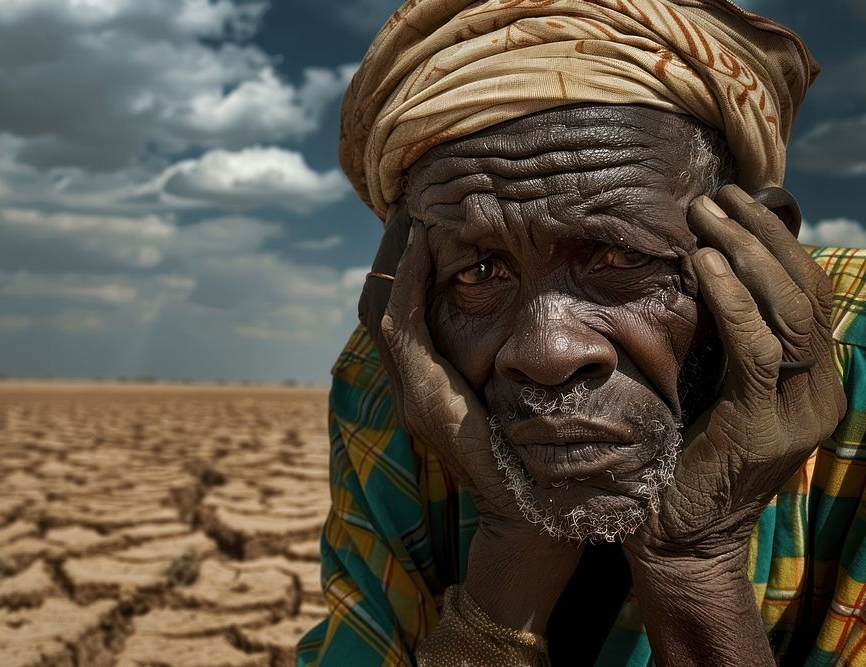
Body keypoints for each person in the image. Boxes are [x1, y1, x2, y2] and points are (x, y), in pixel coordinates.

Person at [297, 1, 865, 665]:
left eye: (622, 257)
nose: (546, 351)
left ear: (759, 248)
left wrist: (692, 562)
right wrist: (512, 551)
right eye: (479, 270)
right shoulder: (396, 373)